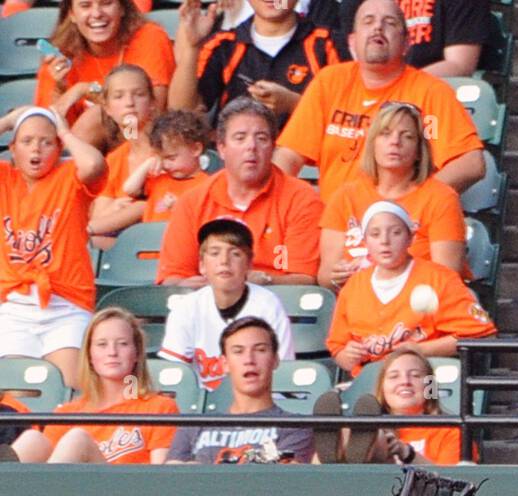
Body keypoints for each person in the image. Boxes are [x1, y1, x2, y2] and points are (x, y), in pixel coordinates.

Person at [273, 0, 485, 204]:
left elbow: (471, 164)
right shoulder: (329, 82)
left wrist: (416, 202)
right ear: (351, 42)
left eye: (390, 23)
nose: (377, 28)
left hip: (399, 229)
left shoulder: (431, 92)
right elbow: (287, 157)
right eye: (368, 21)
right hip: (334, 224)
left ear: (406, 43)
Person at [156, 97, 322, 286]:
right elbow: (172, 279)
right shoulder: (192, 201)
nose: (251, 146)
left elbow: (305, 279)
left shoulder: (301, 198)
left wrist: (261, 281)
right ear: (221, 148)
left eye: (261, 138)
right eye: (240, 138)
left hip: (279, 305)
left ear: (273, 148)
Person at [0, 105, 106, 387]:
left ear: (59, 148)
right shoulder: (5, 179)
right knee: (18, 398)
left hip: (66, 303)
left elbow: (95, 165)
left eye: (47, 142)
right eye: (27, 141)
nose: (36, 149)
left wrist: (64, 131)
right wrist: (8, 120)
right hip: (14, 305)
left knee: (68, 387)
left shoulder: (69, 175)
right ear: (12, 149)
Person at [325, 202, 495, 375]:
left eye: (396, 233)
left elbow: (482, 335)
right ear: (365, 241)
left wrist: (422, 350)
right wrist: (348, 355)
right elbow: (338, 348)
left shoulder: (439, 278)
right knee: (345, 399)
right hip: (372, 382)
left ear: (410, 238)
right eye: (375, 234)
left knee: (430, 397)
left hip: (430, 377)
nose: (385, 241)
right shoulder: (354, 285)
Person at [318, 100, 467, 292]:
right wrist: (337, 275)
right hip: (357, 303)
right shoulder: (345, 196)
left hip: (417, 304)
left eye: (407, 136)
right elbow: (325, 276)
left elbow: (447, 276)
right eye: (385, 134)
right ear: (372, 144)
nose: (395, 142)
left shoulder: (441, 198)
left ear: (419, 151)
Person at [12, 307, 178, 464]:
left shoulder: (160, 407)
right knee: (32, 439)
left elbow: (160, 480)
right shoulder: (67, 413)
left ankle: (46, 494)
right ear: (89, 355)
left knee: (78, 440)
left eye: (123, 343)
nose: (112, 352)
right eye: (102, 344)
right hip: (73, 489)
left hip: (126, 491)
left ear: (136, 353)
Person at [159, 218, 294, 391]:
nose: (224, 261)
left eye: (235, 254)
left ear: (248, 264)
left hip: (258, 406)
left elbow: (282, 372)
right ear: (202, 265)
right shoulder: (186, 308)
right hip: (200, 410)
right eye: (214, 253)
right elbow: (173, 375)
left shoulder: (267, 305)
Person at [168, 0, 342, 133]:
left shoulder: (328, 44)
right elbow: (181, 113)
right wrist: (192, 47)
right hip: (233, 164)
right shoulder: (223, 44)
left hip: (306, 166)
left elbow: (346, 115)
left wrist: (292, 104)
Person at [165, 315, 314, 463]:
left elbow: (276, 482)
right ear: (224, 363)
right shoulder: (194, 426)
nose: (249, 360)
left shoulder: (296, 427)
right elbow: (170, 478)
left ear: (275, 360)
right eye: (238, 351)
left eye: (260, 350)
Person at [33, 0, 175, 149]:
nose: (97, 13)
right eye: (85, 5)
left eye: (106, 3)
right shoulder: (60, 55)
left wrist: (84, 90)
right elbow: (45, 132)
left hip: (139, 142)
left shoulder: (149, 37)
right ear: (72, 14)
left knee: (96, 116)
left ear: (122, 8)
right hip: (86, 157)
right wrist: (59, 88)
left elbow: (149, 113)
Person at [88, 77, 207, 237]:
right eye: (119, 96)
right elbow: (100, 210)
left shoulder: (169, 145)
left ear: (152, 103)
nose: (129, 103)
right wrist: (113, 207)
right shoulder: (115, 158)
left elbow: (142, 206)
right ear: (107, 108)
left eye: (138, 94)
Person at [313, 346, 469, 463]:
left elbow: (451, 484)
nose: (405, 382)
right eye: (394, 377)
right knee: (347, 435)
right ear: (383, 389)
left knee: (380, 440)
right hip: (364, 491)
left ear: (430, 387)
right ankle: (343, 453)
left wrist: (406, 453)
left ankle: (372, 445)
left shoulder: (450, 431)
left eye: (415, 376)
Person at [341, 0, 491, 76]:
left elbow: (460, 65)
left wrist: (403, 86)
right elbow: (357, 57)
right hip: (369, 95)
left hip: (432, 93)